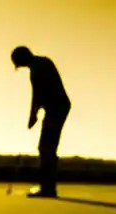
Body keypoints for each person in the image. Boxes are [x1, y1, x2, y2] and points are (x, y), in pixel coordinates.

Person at [11, 46, 70, 198]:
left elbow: (37, 95)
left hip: (56, 108)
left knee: (46, 148)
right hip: (58, 107)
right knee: (47, 148)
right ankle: (48, 187)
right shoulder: (43, 62)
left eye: (19, 63)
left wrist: (32, 116)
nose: (21, 67)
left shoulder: (37, 68)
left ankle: (48, 189)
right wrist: (35, 114)